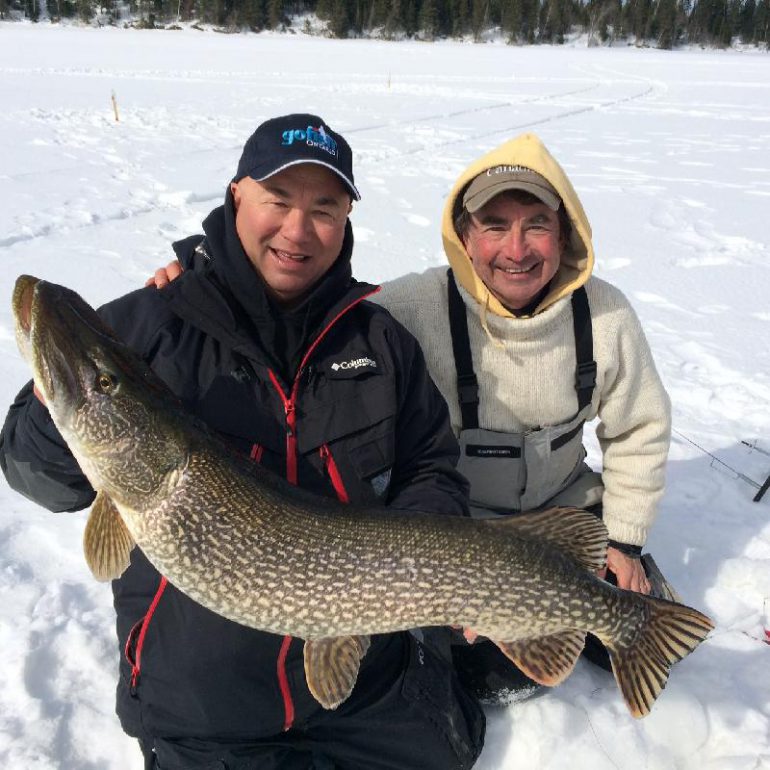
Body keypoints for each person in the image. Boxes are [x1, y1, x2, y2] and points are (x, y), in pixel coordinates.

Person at [0, 114, 485, 770]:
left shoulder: (380, 344)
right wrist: (52, 409)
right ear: (236, 197)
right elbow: (37, 477)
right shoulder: (146, 326)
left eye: (324, 208)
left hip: (369, 688)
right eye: (277, 201)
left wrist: (419, 568)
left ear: (346, 219)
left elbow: (431, 465)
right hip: (205, 710)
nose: (296, 229)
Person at [146, 132, 673, 706]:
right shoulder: (404, 310)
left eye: (538, 225)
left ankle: (600, 607)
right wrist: (209, 277)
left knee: (646, 630)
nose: (516, 250)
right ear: (465, 236)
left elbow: (640, 430)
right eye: (494, 225)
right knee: (491, 675)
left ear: (565, 232)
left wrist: (623, 540)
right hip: (453, 533)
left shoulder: (607, 314)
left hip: (561, 513)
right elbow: (314, 314)